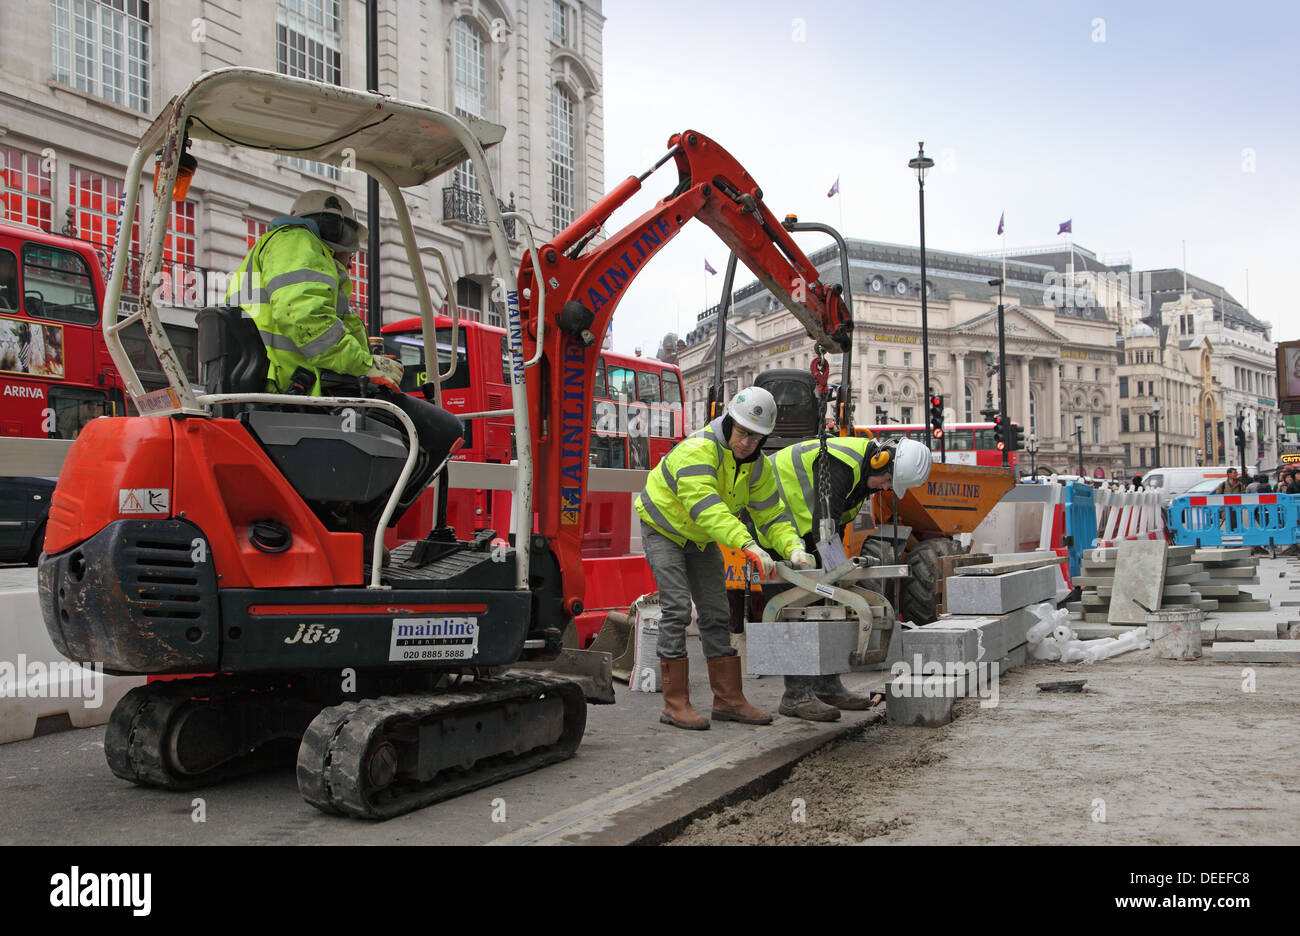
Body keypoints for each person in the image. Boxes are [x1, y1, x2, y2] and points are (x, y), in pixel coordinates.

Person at [228, 190, 463, 532]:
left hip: (284, 388)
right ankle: (361, 532)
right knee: (443, 431)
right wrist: (366, 367)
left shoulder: (279, 251)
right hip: (293, 393)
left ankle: (350, 528)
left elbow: (328, 324)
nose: (352, 252)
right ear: (328, 228)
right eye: (348, 237)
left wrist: (370, 363)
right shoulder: (297, 243)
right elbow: (308, 322)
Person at [635, 386, 812, 730]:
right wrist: (748, 544)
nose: (747, 442)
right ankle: (675, 703)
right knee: (677, 609)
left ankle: (729, 700)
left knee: (717, 612)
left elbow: (772, 514)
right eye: (743, 432)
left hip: (699, 538)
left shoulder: (757, 467)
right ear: (730, 421)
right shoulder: (698, 450)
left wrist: (793, 547)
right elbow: (706, 507)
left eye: (756, 437)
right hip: (664, 529)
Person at [764, 434, 933, 721]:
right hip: (774, 522)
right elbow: (823, 525)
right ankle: (796, 694)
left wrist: (838, 572)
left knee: (826, 604)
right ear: (881, 461)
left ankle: (826, 684)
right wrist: (834, 572)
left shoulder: (862, 481)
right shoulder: (840, 463)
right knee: (795, 606)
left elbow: (834, 528)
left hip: (800, 529)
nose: (887, 487)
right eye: (889, 480)